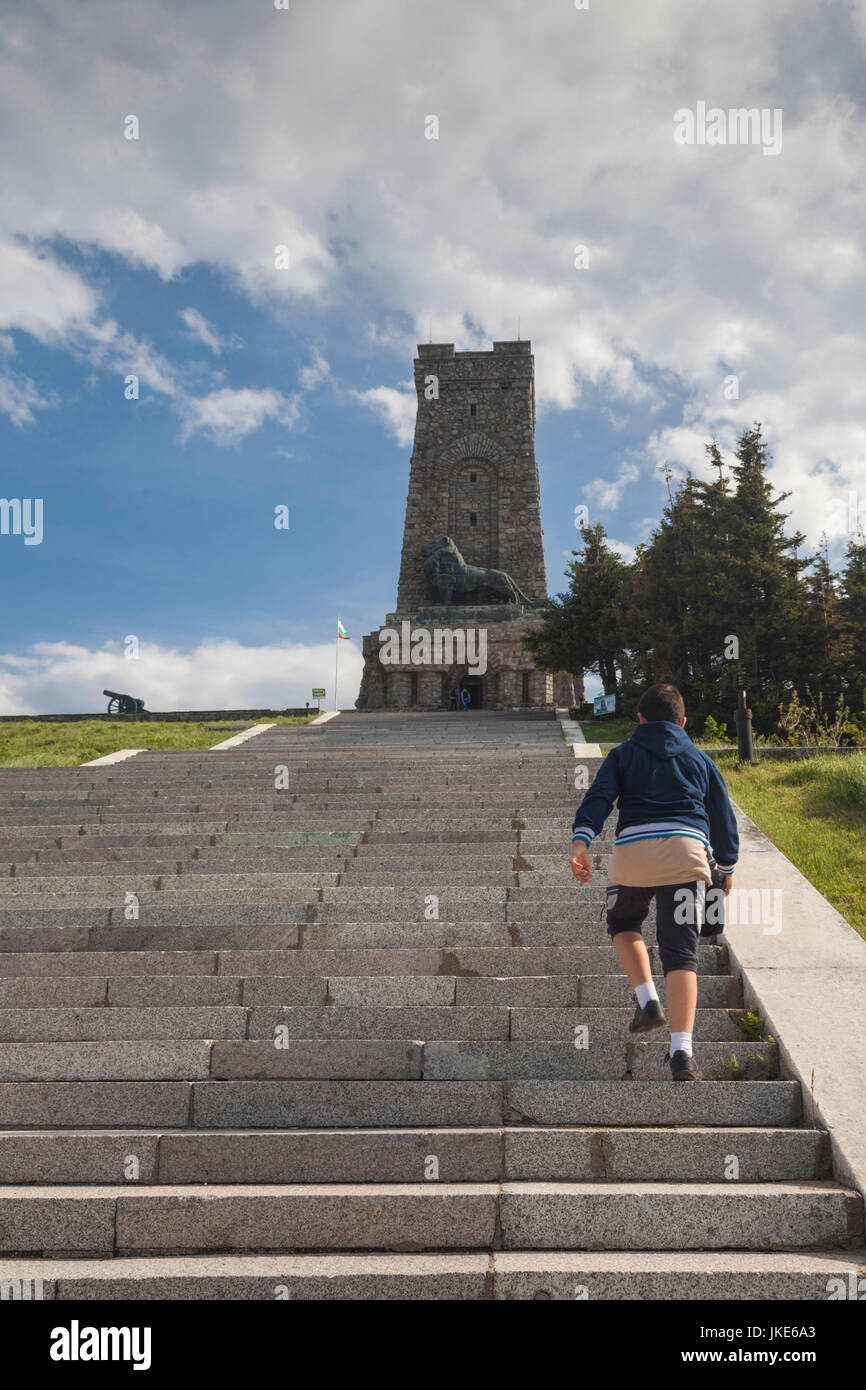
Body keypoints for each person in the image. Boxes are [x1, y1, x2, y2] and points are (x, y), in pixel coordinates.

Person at [570, 682, 738, 1081]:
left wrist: (581, 841)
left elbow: (599, 799)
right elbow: (723, 818)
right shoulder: (700, 759)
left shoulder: (623, 754)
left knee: (624, 923)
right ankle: (682, 1053)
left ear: (640, 720)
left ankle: (647, 1001)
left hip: (635, 857)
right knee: (682, 955)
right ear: (682, 722)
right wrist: (727, 869)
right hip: (687, 856)